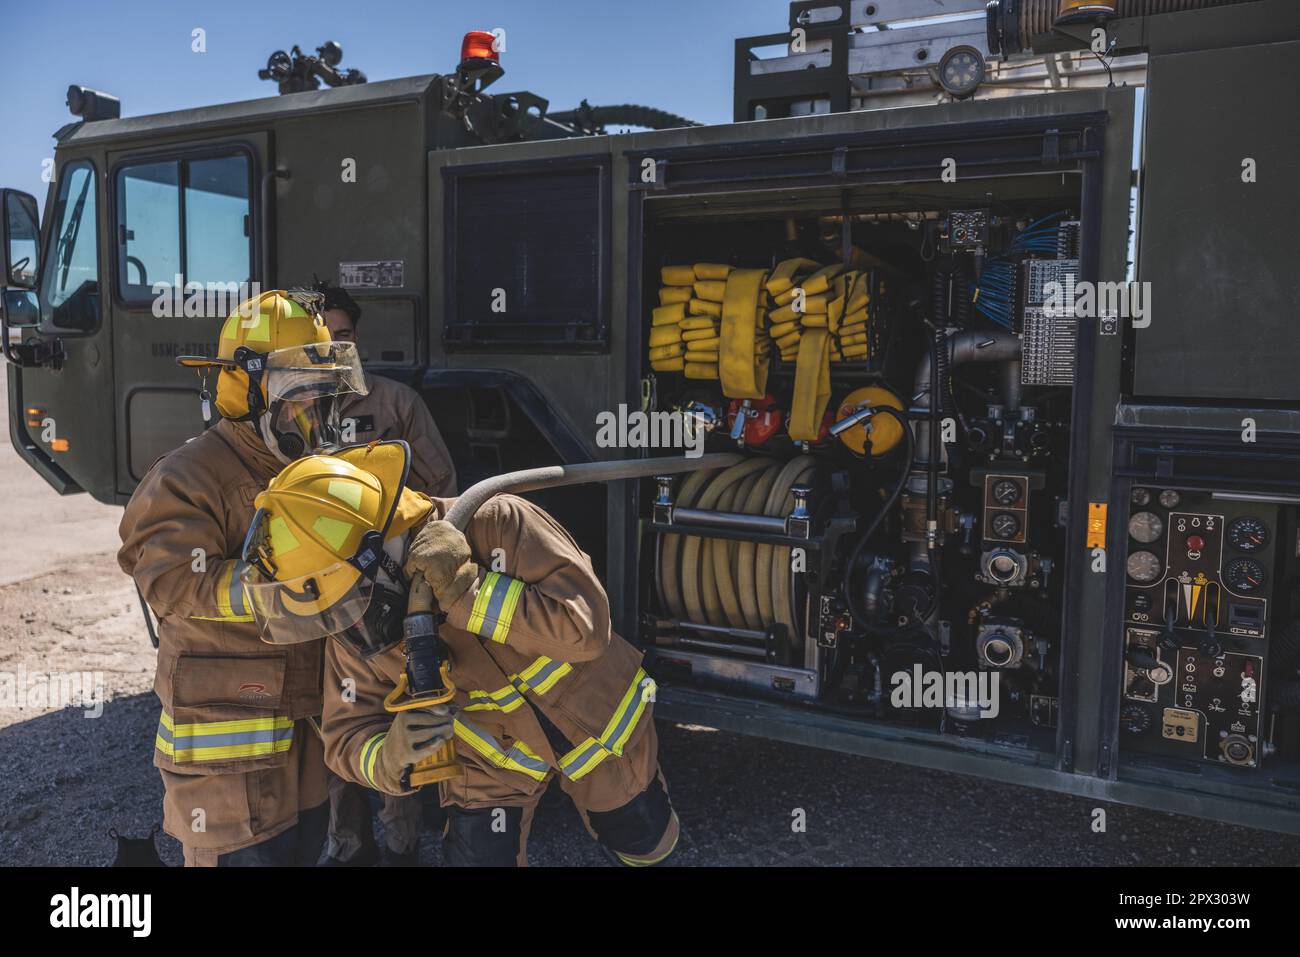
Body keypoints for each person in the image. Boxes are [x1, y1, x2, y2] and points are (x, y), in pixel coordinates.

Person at [240, 440, 680, 867]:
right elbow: (345, 735)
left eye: (348, 603)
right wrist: (389, 756)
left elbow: (585, 630)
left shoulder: (496, 523)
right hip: (489, 764)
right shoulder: (354, 626)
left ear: (384, 555)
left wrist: (469, 590)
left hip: (599, 730)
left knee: (645, 841)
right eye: (330, 614)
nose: (345, 625)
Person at [118, 290, 366, 866]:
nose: (316, 410)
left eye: (324, 392)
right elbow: (169, 579)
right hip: (225, 743)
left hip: (301, 729)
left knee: (303, 850)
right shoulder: (189, 473)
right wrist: (282, 584)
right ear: (249, 389)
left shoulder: (306, 470)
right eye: (301, 393)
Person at [314, 280, 459, 865]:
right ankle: (345, 845)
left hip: (392, 588)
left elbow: (443, 488)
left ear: (357, 338)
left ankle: (401, 842)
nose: (334, 346)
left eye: (344, 334)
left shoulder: (396, 404)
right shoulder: (292, 413)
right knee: (335, 717)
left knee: (396, 705)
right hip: (320, 594)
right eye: (323, 336)